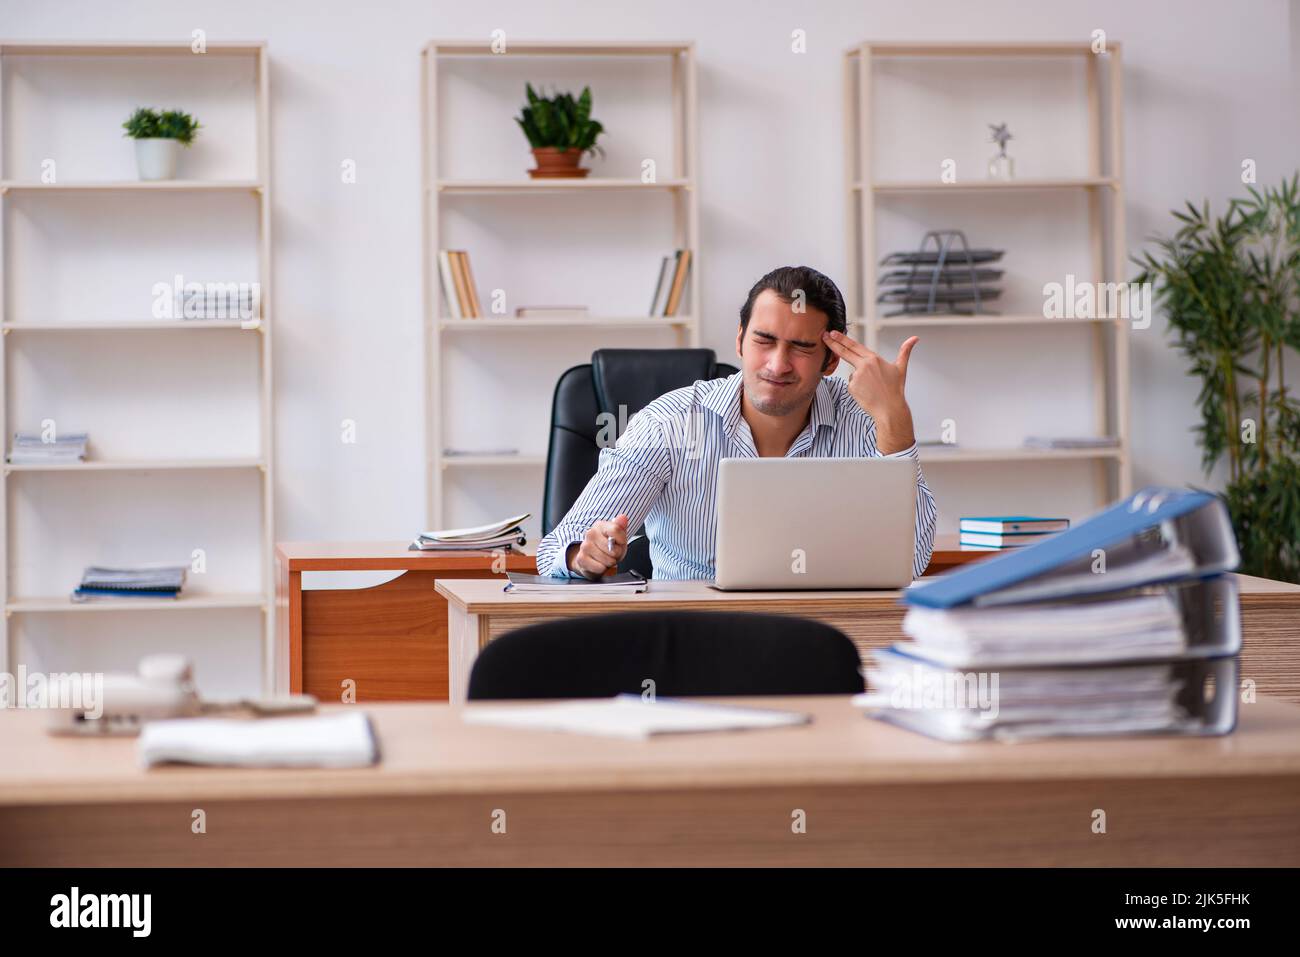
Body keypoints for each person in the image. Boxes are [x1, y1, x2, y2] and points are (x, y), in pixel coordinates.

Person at [536, 265, 938, 580]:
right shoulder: (669, 424)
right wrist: (582, 556)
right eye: (764, 341)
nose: (778, 364)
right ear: (740, 340)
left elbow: (912, 561)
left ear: (831, 360)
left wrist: (895, 419)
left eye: (800, 347)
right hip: (698, 634)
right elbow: (554, 549)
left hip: (824, 631)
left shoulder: (870, 422)